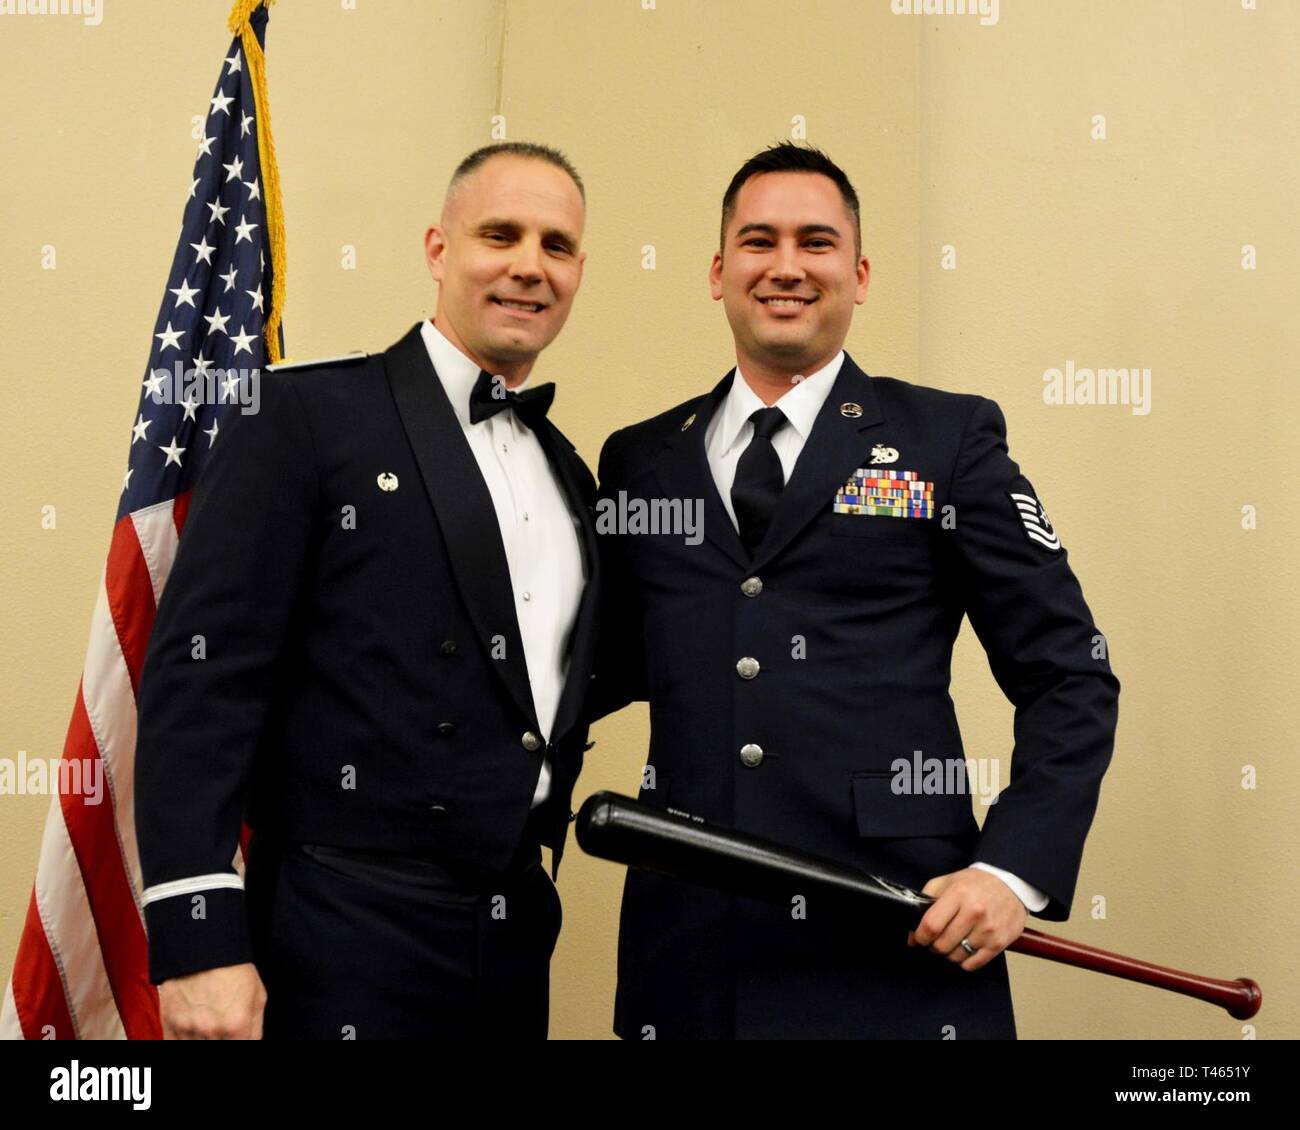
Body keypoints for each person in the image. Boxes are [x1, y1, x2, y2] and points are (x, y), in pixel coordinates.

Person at [590, 142, 1120, 1039]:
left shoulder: (945, 441)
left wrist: (1010, 873)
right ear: (719, 272)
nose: (786, 266)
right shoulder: (639, 460)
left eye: (817, 242)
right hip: (691, 960)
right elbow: (580, 678)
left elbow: (1071, 672)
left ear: (860, 273)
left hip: (893, 951)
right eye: (758, 242)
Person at [135, 141, 599, 1039]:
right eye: (499, 234)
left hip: (511, 936)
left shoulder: (570, 475)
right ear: (437, 248)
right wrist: (198, 940)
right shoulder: (304, 416)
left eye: (556, 244)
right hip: (338, 930)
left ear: (579, 270)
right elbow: (204, 679)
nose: (527, 266)